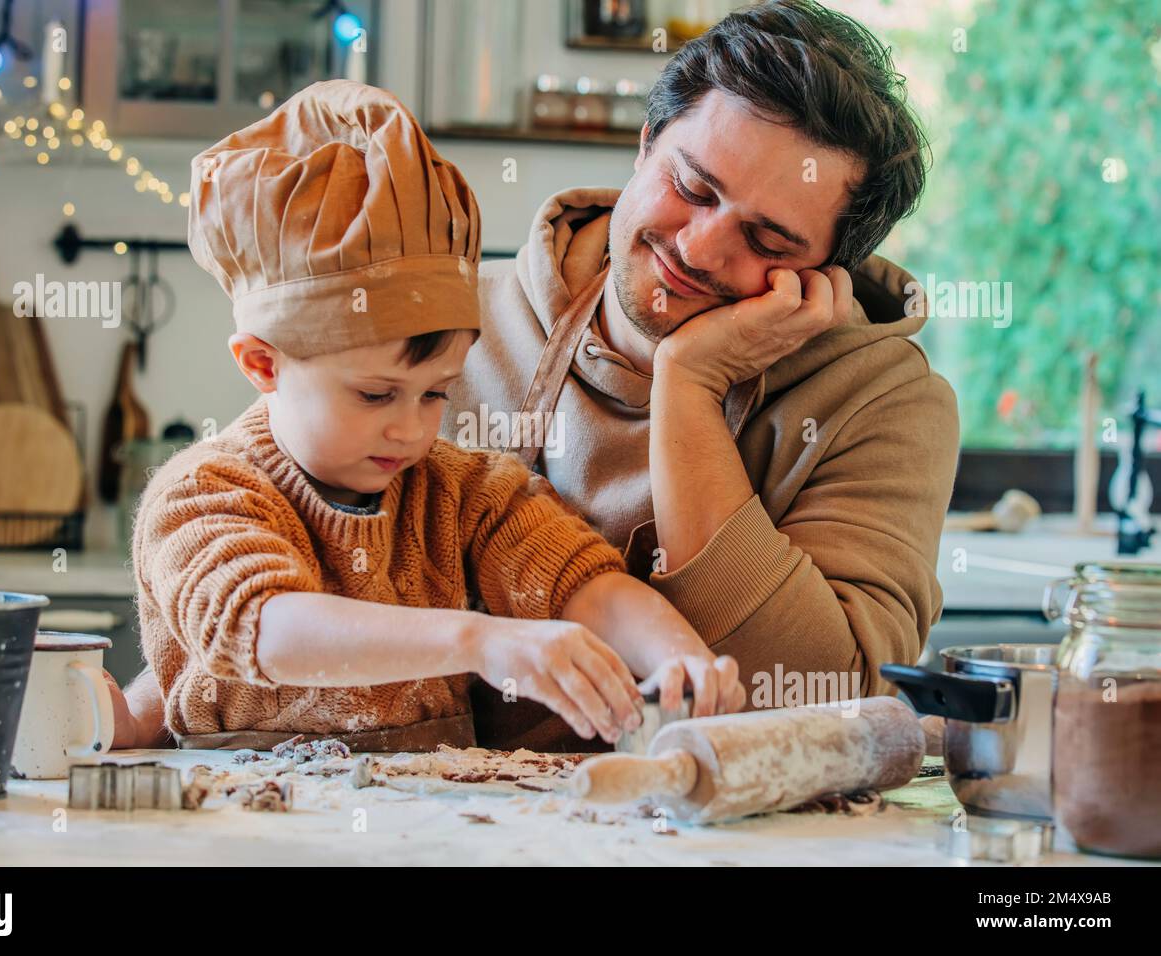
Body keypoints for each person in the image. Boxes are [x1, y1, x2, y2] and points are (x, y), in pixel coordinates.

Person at [114, 81, 744, 753]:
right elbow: (263, 628)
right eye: (376, 395)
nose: (412, 430)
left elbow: (581, 585)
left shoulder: (461, 493)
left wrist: (682, 662)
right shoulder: (204, 496)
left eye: (436, 392)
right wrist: (479, 640)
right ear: (264, 364)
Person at [439, 0, 959, 749]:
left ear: (827, 275)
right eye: (693, 187)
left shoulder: (884, 402)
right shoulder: (453, 324)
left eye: (766, 238)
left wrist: (688, 385)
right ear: (646, 146)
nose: (701, 249)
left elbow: (821, 699)